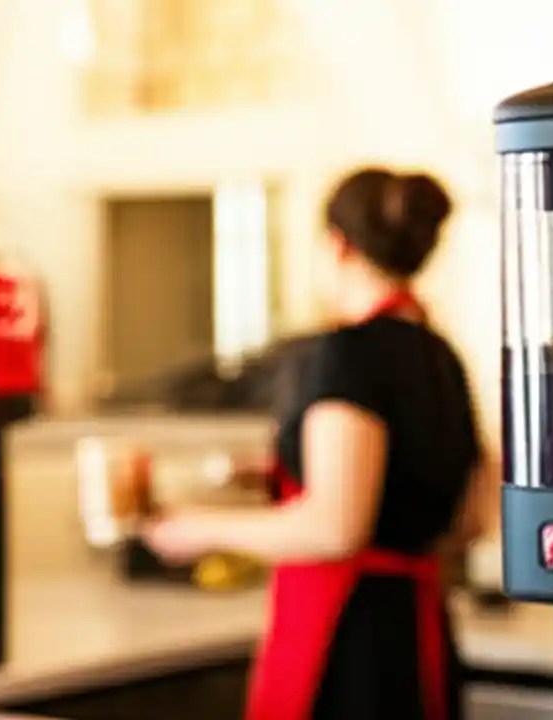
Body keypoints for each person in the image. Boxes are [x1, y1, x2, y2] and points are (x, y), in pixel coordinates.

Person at [144, 168, 488, 720]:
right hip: (418, 629)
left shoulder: (347, 355)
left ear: (337, 245)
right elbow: (470, 517)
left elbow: (335, 526)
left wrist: (196, 529)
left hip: (349, 639)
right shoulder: (441, 356)